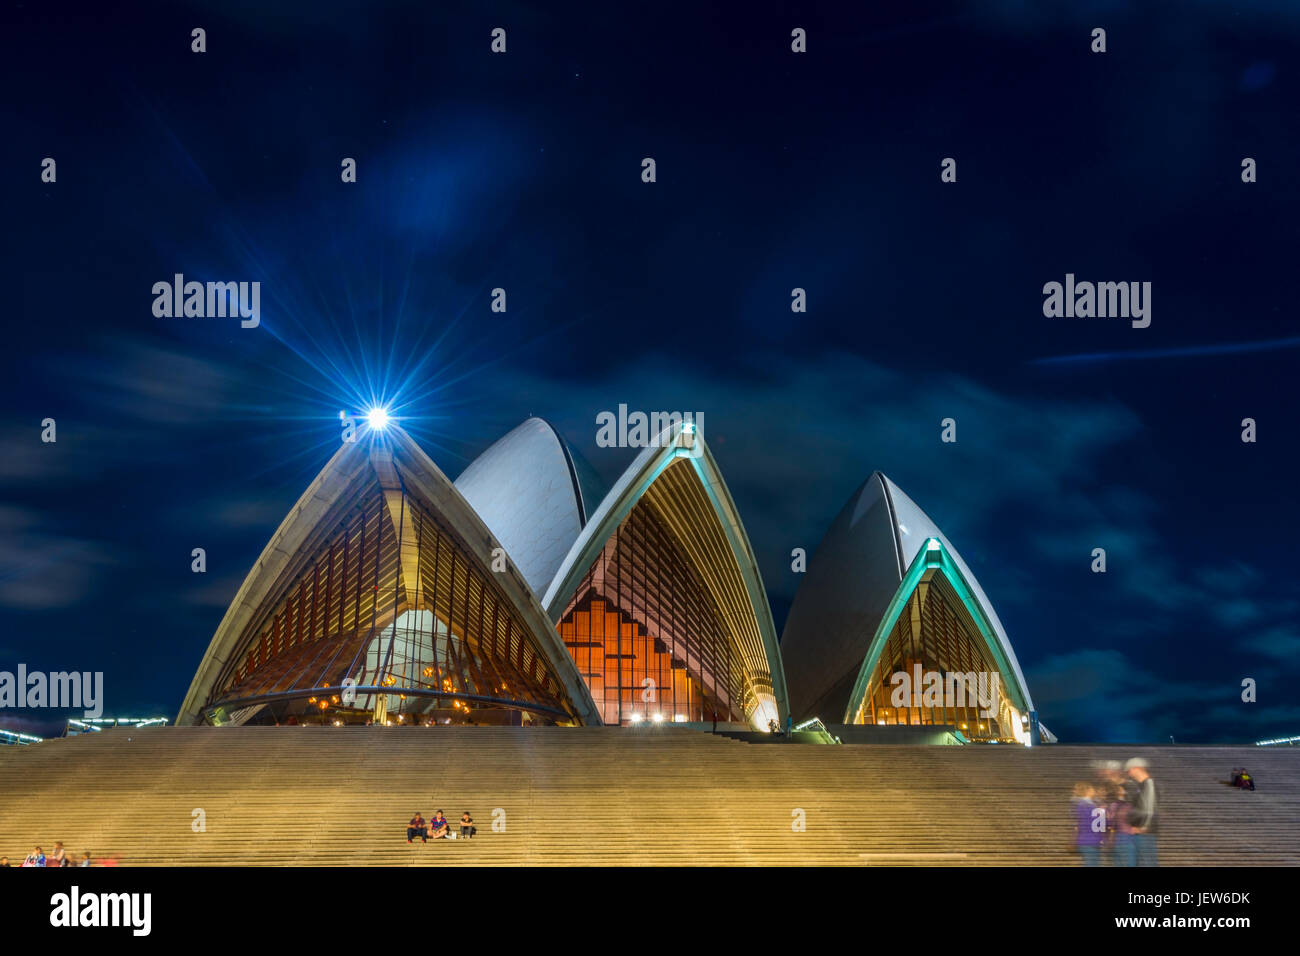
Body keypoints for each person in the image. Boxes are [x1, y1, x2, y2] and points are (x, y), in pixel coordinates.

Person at [1126, 758, 1159, 866]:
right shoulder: (1141, 786)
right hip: (1139, 831)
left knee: (1148, 862)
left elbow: (1149, 807)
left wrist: (1144, 827)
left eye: (1129, 770)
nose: (1128, 773)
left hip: (1144, 832)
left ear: (1136, 768)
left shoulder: (1149, 783)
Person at [1072, 782, 1104, 866]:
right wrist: (1102, 812)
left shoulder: (1081, 804)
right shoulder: (1089, 806)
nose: (1094, 790)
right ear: (1088, 791)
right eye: (1092, 789)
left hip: (1085, 839)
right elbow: (1097, 824)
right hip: (1091, 840)